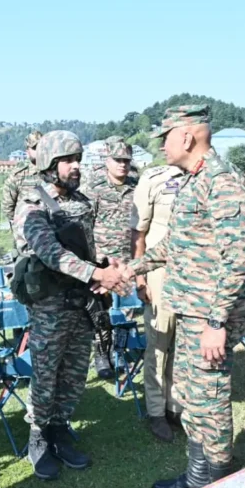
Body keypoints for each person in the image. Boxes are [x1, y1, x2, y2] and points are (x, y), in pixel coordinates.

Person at [127, 105, 245, 488]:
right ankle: (198, 476)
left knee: (209, 398)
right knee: (192, 396)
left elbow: (236, 258)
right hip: (191, 308)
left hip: (209, 315)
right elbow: (176, 245)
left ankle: (215, 478)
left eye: (164, 138)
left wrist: (216, 322)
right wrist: (131, 269)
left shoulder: (222, 182)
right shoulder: (193, 180)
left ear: (186, 136)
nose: (161, 146)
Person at [11, 130, 131, 481]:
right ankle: (38, 436)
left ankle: (60, 429)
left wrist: (105, 267)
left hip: (82, 302)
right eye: (67, 161)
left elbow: (86, 250)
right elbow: (51, 253)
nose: (76, 166)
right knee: (47, 376)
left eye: (78, 159)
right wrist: (96, 273)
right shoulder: (32, 205)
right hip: (50, 305)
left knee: (75, 373)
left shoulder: (81, 202)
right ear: (49, 164)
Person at [129, 163, 185, 442]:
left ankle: (175, 406)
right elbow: (138, 234)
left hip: (192, 272)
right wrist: (140, 280)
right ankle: (156, 411)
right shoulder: (154, 179)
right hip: (158, 271)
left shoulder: (201, 176)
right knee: (159, 344)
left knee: (183, 343)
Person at [81, 137, 138, 379]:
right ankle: (102, 355)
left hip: (127, 261)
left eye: (126, 161)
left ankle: (121, 352)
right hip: (102, 263)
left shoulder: (137, 186)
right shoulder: (94, 187)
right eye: (118, 160)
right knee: (101, 314)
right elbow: (84, 224)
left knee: (125, 313)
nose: (122, 165)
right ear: (107, 161)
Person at [1, 130, 43, 235]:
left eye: (42, 147)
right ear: (27, 151)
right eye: (34, 148)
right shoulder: (19, 175)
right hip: (26, 234)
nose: (39, 151)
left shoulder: (55, 173)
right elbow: (8, 206)